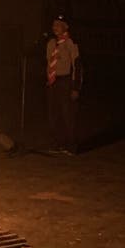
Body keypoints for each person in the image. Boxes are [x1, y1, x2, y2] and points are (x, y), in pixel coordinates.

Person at [46, 14, 83, 155]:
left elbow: (77, 65)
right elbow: (48, 63)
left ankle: (71, 145)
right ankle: (57, 143)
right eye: (54, 25)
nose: (55, 27)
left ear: (65, 27)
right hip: (53, 82)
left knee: (68, 114)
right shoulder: (50, 43)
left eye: (58, 25)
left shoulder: (70, 43)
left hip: (65, 81)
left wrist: (75, 87)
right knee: (53, 115)